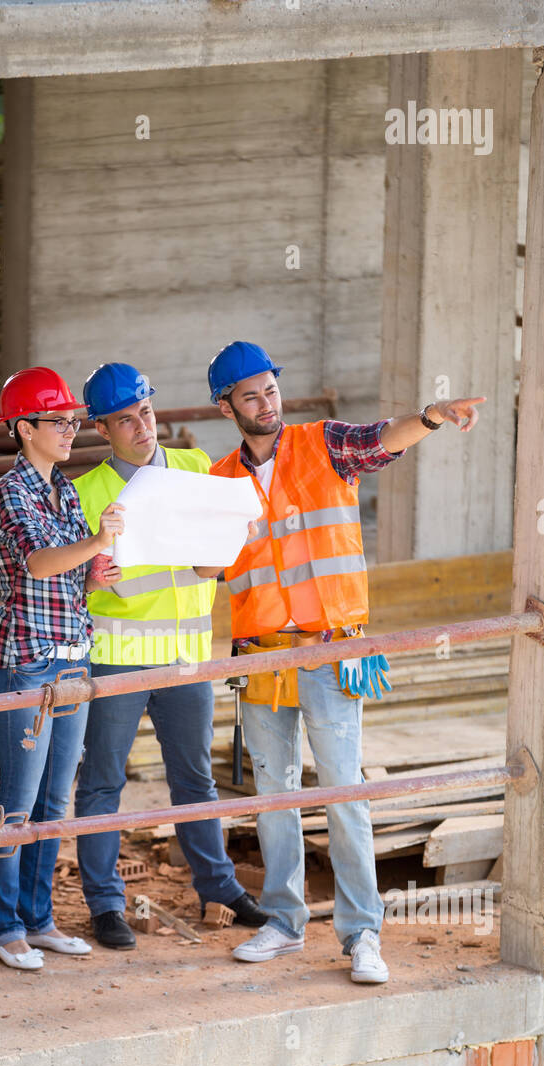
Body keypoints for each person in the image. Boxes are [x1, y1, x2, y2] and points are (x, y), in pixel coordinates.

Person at [204, 340, 485, 982]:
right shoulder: (219, 482)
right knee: (274, 793)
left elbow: (383, 439)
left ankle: (362, 935)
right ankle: (283, 922)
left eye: (270, 389)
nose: (266, 402)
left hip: (332, 651)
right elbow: (206, 570)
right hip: (260, 659)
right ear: (227, 406)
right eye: (250, 395)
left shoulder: (322, 444)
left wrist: (432, 415)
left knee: (344, 792)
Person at [71, 361, 269, 950]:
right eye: (125, 420)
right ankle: (106, 904)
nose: (141, 427)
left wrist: (226, 553)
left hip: (186, 656)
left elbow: (217, 553)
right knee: (103, 783)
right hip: (118, 656)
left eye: (147, 413)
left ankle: (219, 888)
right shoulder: (85, 494)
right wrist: (90, 577)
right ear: (101, 430)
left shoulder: (192, 466)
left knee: (195, 780)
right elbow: (74, 585)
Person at [0, 367, 124, 970]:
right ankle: (2, 925)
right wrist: (94, 545)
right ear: (23, 427)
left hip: (71, 658)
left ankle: (37, 919)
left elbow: (64, 578)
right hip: (27, 663)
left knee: (53, 802)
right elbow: (39, 564)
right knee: (17, 800)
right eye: (57, 421)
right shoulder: (8, 494)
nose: (70, 430)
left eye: (72, 421)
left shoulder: (62, 490)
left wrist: (91, 576)